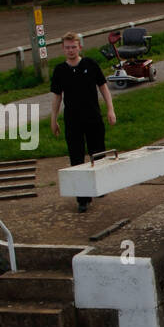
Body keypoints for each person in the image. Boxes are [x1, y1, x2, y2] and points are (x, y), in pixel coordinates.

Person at [50, 32, 117, 213]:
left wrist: (110, 110)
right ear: (63, 49)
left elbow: (103, 88)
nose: (71, 50)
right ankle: (82, 197)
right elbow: (57, 97)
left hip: (93, 117)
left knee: (97, 153)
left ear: (80, 47)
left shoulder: (90, 64)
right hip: (73, 121)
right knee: (76, 158)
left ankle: (100, 186)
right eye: (67, 47)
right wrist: (54, 119)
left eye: (73, 47)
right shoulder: (60, 70)